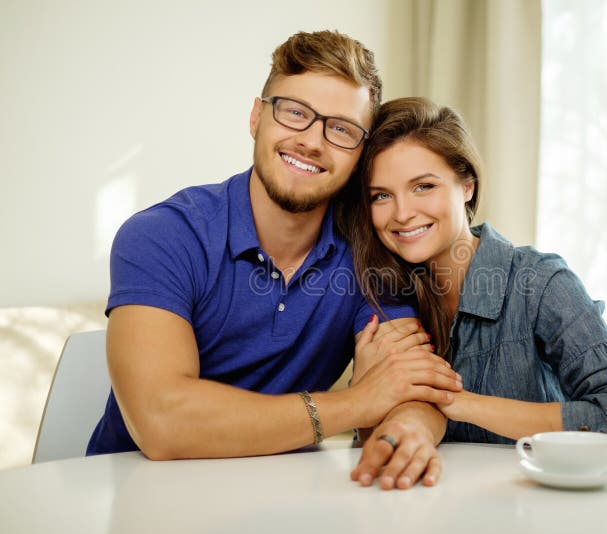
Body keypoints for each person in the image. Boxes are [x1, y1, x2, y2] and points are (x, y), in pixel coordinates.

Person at [87, 31, 462, 490]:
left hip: (284, 499)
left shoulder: (369, 252)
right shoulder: (163, 236)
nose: (311, 141)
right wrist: (356, 404)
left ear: (360, 154)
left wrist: (406, 431)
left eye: (341, 129)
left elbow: (412, 384)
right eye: (295, 112)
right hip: (140, 497)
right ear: (256, 116)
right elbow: (162, 423)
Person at [346, 97, 607, 456]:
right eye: (381, 196)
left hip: (538, 505)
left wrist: (459, 402)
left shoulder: (540, 283)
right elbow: (374, 445)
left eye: (424, 186)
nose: (403, 213)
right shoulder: (383, 298)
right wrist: (364, 390)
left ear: (466, 184)